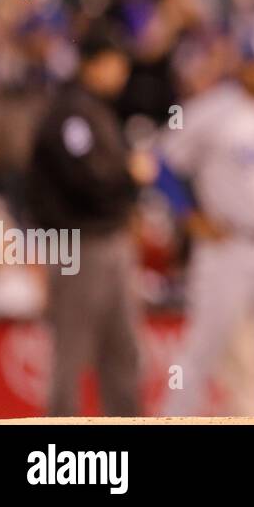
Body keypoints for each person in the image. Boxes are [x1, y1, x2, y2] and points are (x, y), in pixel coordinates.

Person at [159, 23, 254, 416]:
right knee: (202, 350)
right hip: (227, 247)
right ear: (240, 64)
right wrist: (189, 217)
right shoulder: (210, 111)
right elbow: (163, 163)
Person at [25, 24, 152, 417]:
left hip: (108, 241)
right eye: (115, 63)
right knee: (73, 352)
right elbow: (86, 180)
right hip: (79, 244)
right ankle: (61, 447)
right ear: (93, 65)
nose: (122, 73)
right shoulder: (72, 112)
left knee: (122, 349)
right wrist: (129, 173)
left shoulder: (95, 109)